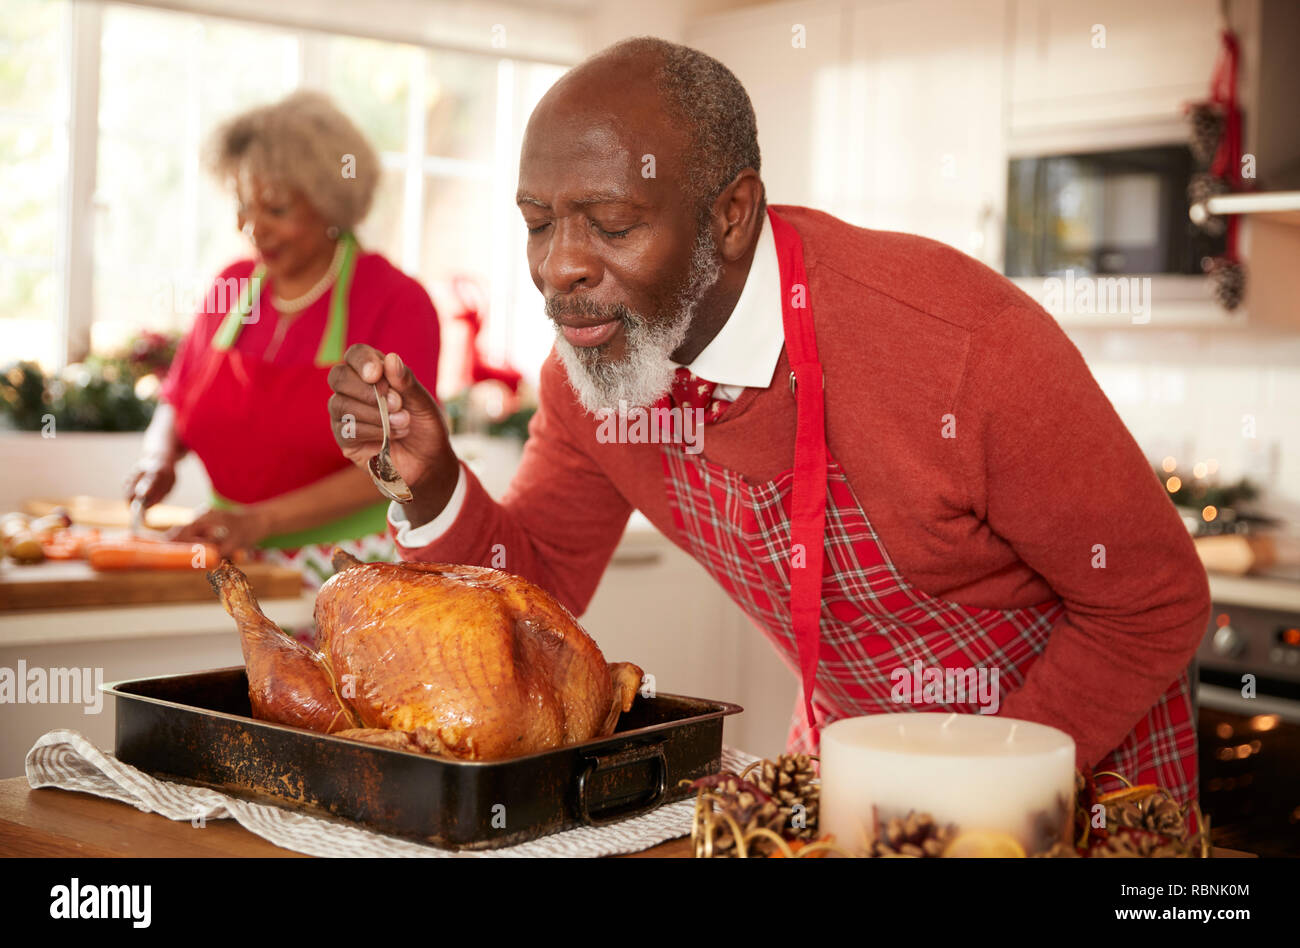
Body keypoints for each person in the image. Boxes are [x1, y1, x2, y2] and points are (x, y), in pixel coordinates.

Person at [324, 39, 1209, 809]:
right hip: (856, 767)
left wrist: (978, 794)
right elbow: (534, 602)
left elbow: (1153, 607)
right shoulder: (592, 380)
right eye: (537, 223)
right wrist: (433, 481)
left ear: (731, 215)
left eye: (612, 224)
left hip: (1080, 777)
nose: (559, 269)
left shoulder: (960, 345)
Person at [128, 90, 439, 586]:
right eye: (242, 205)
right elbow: (176, 397)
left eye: (274, 208)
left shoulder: (396, 300)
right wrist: (157, 459)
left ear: (330, 202)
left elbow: (405, 461)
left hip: (352, 567)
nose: (251, 228)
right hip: (237, 559)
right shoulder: (230, 285)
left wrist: (259, 521)